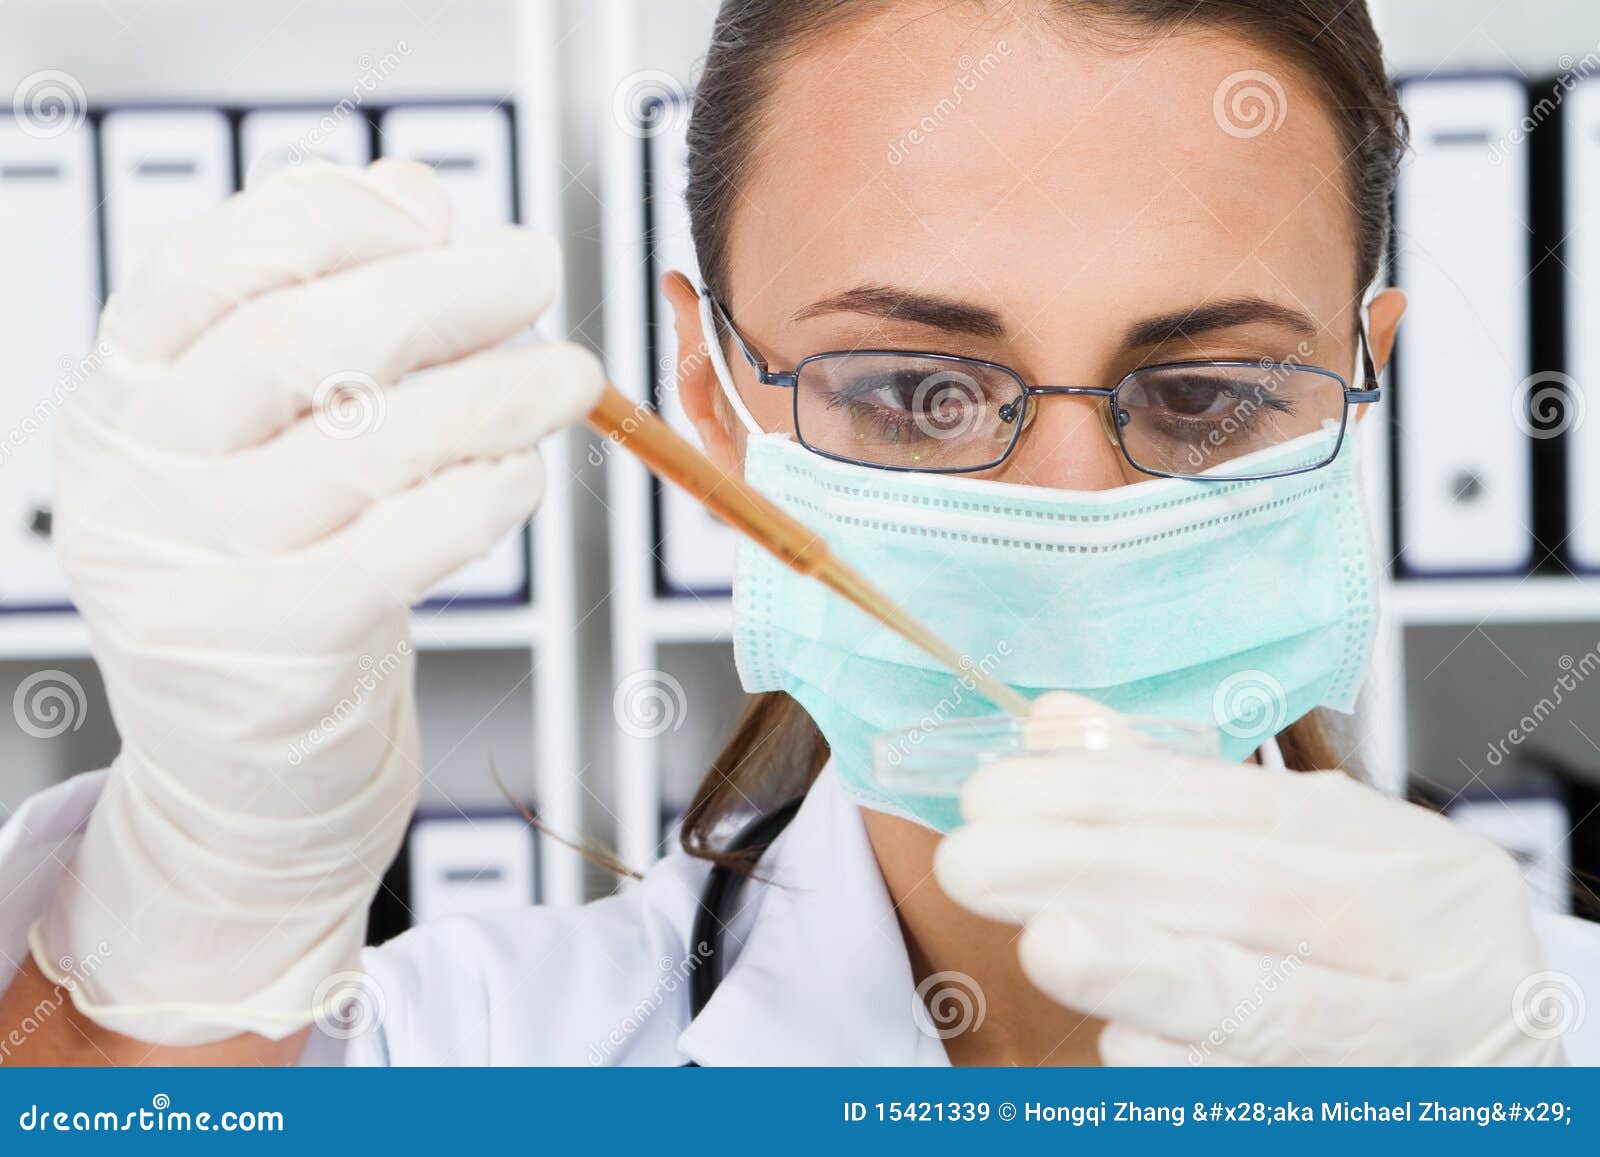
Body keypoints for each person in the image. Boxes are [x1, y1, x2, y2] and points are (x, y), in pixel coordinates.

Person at [2, 0, 1595, 1066]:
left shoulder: (1542, 1040)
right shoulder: (469, 1052)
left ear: (1364, 370)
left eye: (1205, 389)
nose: (1069, 511)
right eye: (915, 386)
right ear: (711, 387)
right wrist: (196, 905)